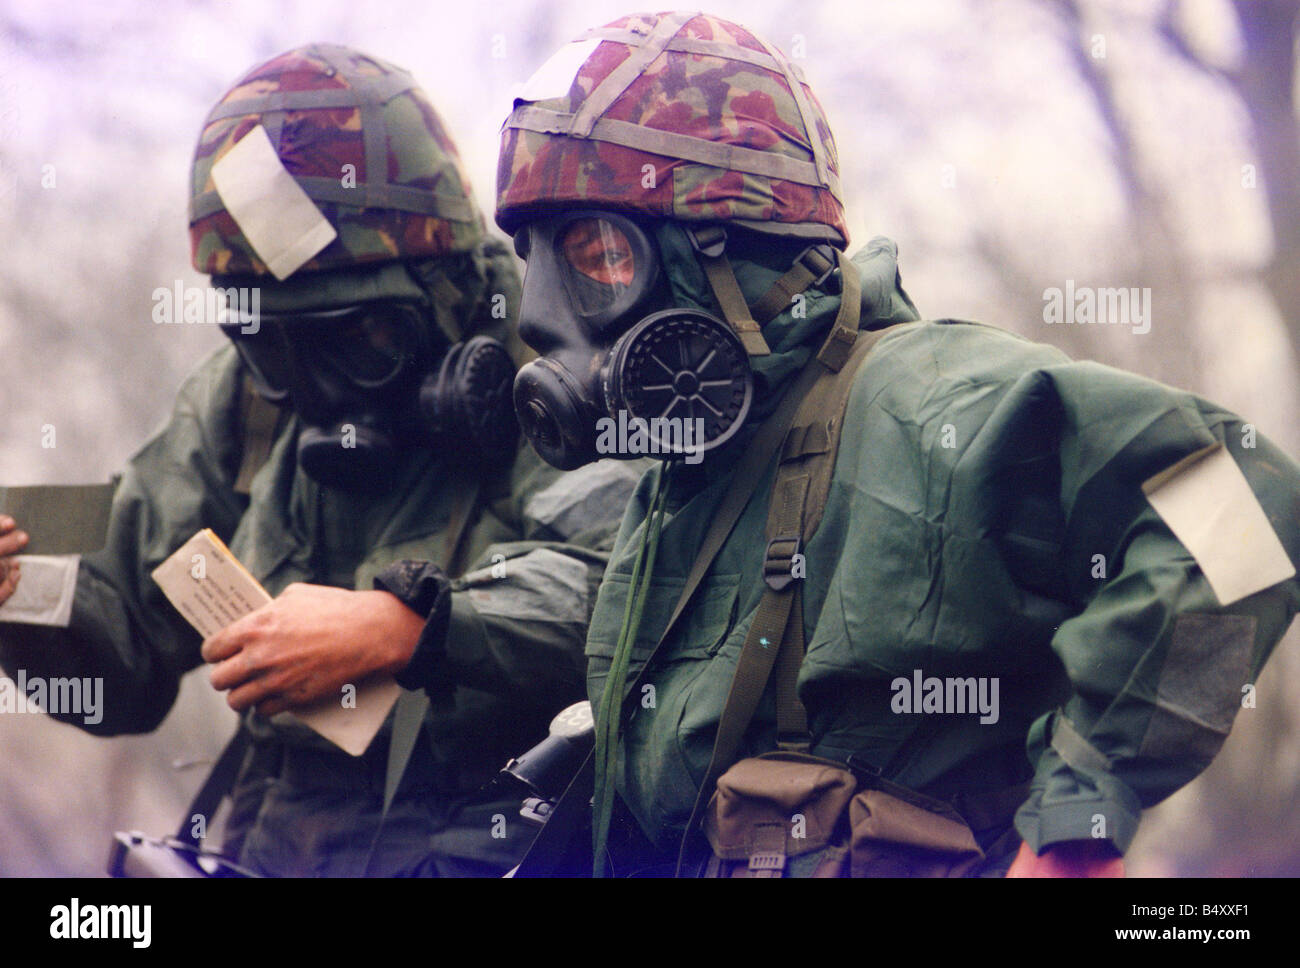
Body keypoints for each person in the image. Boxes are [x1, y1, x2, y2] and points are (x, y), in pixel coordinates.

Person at [494, 11, 1300, 877]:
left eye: (597, 252)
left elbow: (1244, 504)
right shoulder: (683, 477)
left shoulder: (925, 402)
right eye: (532, 255)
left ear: (734, 252)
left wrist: (1076, 830)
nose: (544, 316)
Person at [0, 43, 638, 877]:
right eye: (277, 346)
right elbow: (126, 635)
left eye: (360, 340)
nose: (321, 391)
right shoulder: (251, 398)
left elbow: (630, 587)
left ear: (441, 284)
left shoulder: (550, 359)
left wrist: (412, 628)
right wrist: (19, 593)